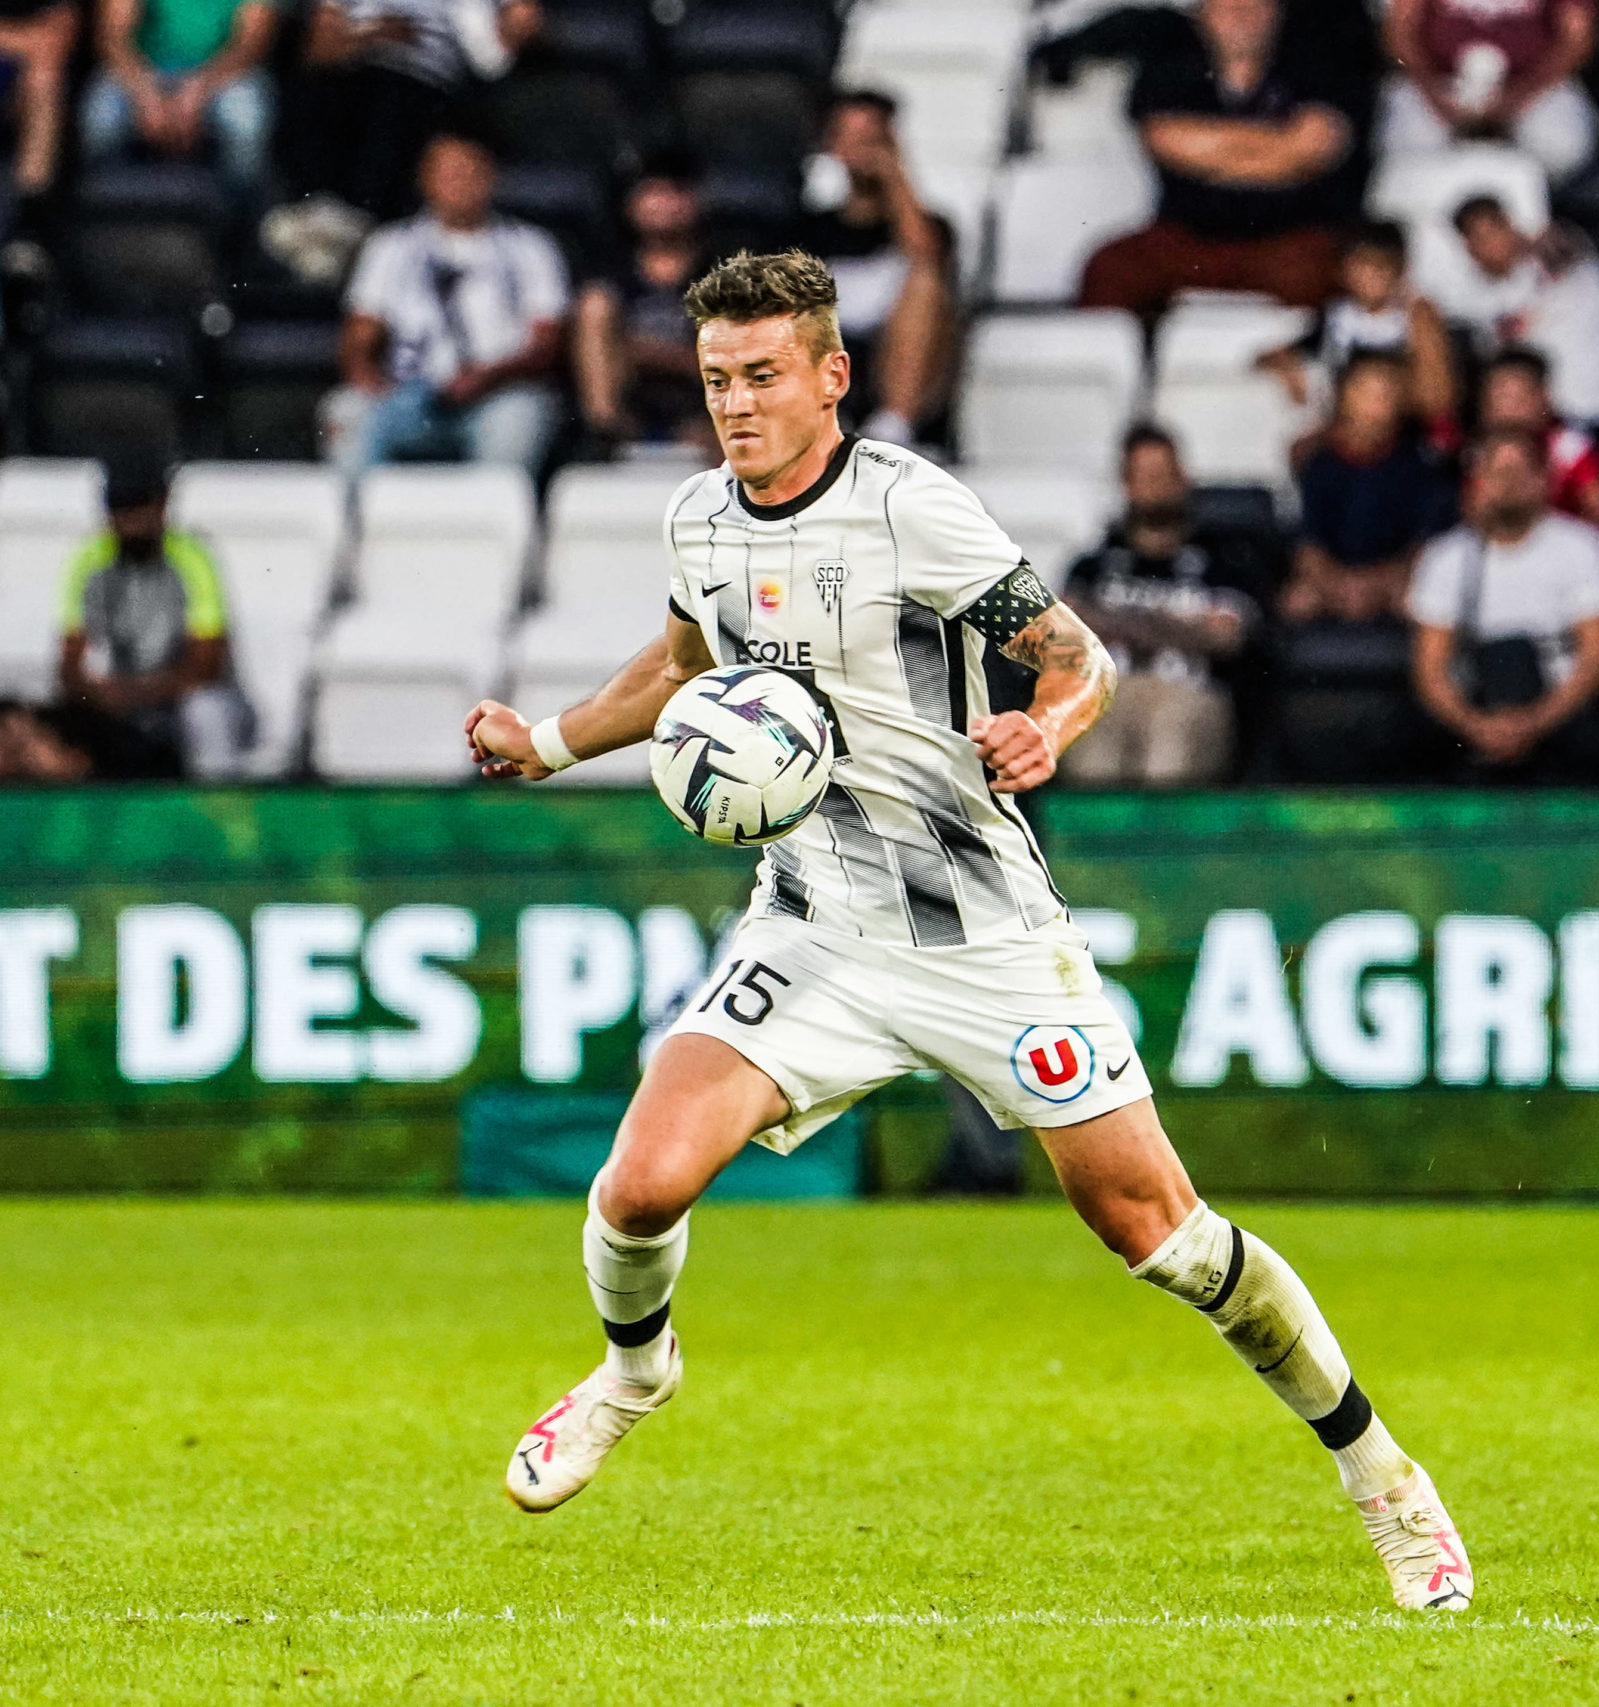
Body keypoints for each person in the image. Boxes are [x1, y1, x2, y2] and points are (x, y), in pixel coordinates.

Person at [462, 250, 1473, 1613]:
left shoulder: (910, 511)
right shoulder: (701, 518)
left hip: (984, 935)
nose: (738, 405)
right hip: (814, 923)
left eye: (764, 375)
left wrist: (1039, 726)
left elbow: (1078, 658)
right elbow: (686, 666)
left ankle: (1383, 1475)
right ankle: (635, 1371)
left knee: (1160, 1234)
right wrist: (546, 739)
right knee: (640, 1181)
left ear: (832, 375)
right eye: (716, 380)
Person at [1078, 0, 1363, 317]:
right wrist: (1276, 149)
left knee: (1329, 273)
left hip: (1286, 238)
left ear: (1278, 12)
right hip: (1190, 237)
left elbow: (1313, 148)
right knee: (1112, 269)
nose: (1241, 15)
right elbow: (1165, 139)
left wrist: (1214, 155)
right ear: (1202, 15)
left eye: (1255, 6)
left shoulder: (1314, 62)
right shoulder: (1173, 66)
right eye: (1227, 6)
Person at [327, 130, 568, 482]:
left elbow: (547, 343)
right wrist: (367, 378)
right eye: (448, 174)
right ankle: (357, 528)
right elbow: (360, 332)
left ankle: (491, 528)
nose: (460, 185)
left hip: (500, 393)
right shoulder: (391, 246)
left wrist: (488, 377)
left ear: (491, 178)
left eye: (471, 174)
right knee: (348, 410)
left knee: (518, 419)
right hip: (410, 393)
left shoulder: (531, 246)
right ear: (424, 180)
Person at [1056, 425, 1270, 788]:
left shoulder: (1227, 563)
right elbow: (1061, 636)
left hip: (1189, 693)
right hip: (1108, 693)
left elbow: (1227, 637)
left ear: (1182, 477)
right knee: (1092, 757)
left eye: (1163, 473)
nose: (1154, 483)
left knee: (1169, 752)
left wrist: (1122, 623)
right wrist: (1176, 627)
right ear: (1125, 483)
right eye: (1143, 474)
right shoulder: (1091, 567)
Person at [1409, 427, 1599, 783]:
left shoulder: (1583, 547)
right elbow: (1430, 669)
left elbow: (1596, 659)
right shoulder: (1446, 557)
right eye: (1498, 472)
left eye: (1520, 472)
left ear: (1544, 481)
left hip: (1560, 712)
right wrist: (1476, 726)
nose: (1509, 484)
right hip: (1474, 709)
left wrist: (1533, 723)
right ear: (1479, 482)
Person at [1433, 196, 1599, 445]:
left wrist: (1537, 239)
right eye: (1478, 238)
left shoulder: (1570, 261)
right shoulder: (1477, 303)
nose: (1491, 243)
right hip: (1558, 426)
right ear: (1469, 248)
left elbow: (1562, 243)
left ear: (1510, 225)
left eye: (1494, 229)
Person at [54, 464, 241, 780]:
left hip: (176, 697)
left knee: (206, 713)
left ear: (162, 505)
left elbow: (207, 663)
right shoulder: (90, 559)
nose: (130, 522)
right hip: (115, 695)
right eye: (119, 510)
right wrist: (95, 694)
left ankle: (221, 814)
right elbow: (70, 659)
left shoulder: (191, 557)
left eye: (138, 508)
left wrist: (135, 694)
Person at [793, 91, 957, 449]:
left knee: (926, 280)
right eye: (852, 138)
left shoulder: (933, 226)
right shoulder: (807, 229)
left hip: (902, 360)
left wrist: (894, 174)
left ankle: (895, 424)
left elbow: (925, 252)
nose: (863, 150)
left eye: (873, 138)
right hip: (831, 360)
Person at [298, 0, 542, 220]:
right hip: (356, 72)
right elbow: (318, 51)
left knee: (399, 107)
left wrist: (519, 20)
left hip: (431, 86)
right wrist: (373, 35)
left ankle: (369, 219)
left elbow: (492, 58)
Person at [1287, 350, 1458, 622]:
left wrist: (1374, 584)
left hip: (1393, 579)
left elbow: (1424, 548)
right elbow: (1309, 544)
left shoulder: (1419, 464)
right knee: (1297, 602)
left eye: (1387, 391)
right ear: (1345, 397)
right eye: (1366, 391)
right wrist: (1336, 583)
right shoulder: (1320, 463)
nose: (1377, 401)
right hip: (1335, 577)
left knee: (1419, 602)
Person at [573, 153, 718, 458]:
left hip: (702, 408)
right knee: (594, 306)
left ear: (695, 200)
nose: (663, 203)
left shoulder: (720, 272)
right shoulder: (608, 274)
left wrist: (652, 354)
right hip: (627, 404)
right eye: (652, 192)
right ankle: (605, 435)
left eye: (674, 192)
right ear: (631, 203)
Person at [1255, 221, 1459, 425]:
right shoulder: (1336, 318)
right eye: (1362, 265)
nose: (1371, 276)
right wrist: (1287, 367)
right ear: (1344, 271)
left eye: (1381, 266)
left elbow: (1437, 397)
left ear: (1400, 269)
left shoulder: (1415, 318)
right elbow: (1276, 355)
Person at [1378, 0, 1598, 179]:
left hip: (1530, 83)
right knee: (1408, 144)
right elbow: (1399, 30)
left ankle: (1519, 221)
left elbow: (1576, 40)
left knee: (1562, 145)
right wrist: (1433, 94)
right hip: (1440, 81)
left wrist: (1518, 97)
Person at [79, 0, 277, 195]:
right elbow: (112, 38)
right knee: (102, 115)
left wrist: (199, 90)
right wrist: (145, 95)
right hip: (142, 71)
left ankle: (244, 210)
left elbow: (252, 43)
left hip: (223, 73)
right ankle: (108, 209)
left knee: (245, 119)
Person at [1475, 345, 1599, 529]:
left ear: (1544, 398)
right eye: (1499, 399)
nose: (1510, 412)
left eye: (1519, 400)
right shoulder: (1477, 454)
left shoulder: (1571, 448)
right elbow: (1476, 519)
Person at [0, 0, 76, 197]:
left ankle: (31, 197)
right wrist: (28, 40)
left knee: (44, 79)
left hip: (28, 63)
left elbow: (61, 30)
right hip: (22, 52)